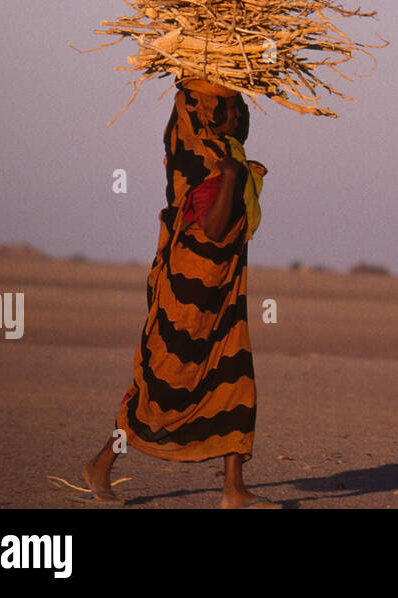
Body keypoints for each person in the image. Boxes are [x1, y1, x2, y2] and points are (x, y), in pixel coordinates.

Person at [78, 78, 276, 508]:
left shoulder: (225, 155)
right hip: (190, 290)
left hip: (221, 292)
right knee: (164, 386)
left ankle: (233, 489)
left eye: (241, 109)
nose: (240, 117)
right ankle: (101, 464)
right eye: (231, 109)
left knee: (234, 380)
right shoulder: (210, 161)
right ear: (206, 114)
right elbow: (213, 229)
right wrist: (230, 180)